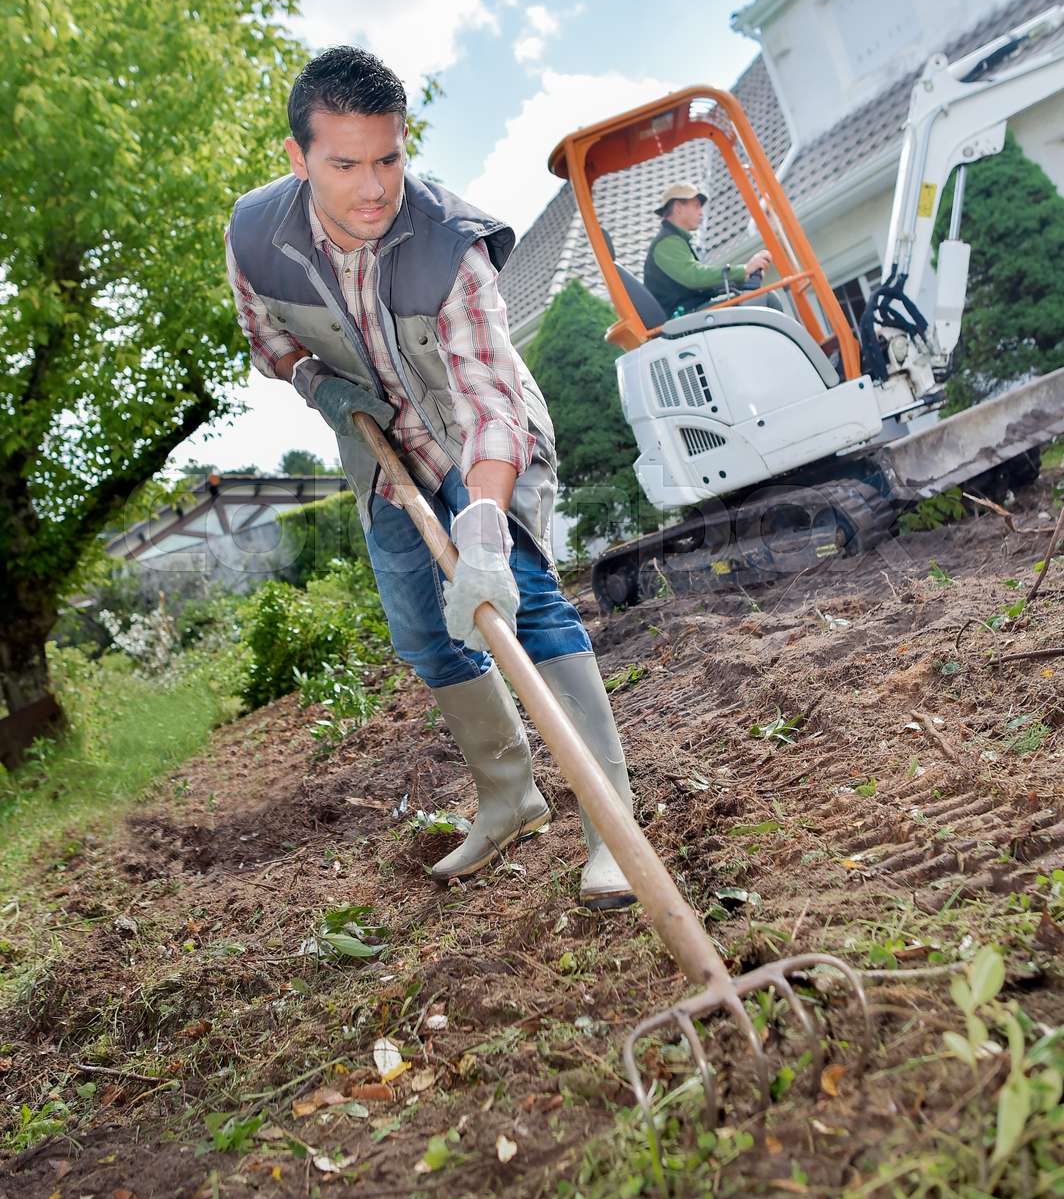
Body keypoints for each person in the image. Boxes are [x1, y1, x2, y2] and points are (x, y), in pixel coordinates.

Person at [225, 46, 635, 910]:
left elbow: (490, 403)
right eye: (345, 164)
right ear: (298, 158)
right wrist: (315, 383)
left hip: (474, 441)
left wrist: (482, 525)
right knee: (422, 634)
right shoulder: (256, 234)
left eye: (389, 158)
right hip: (382, 455)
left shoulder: (451, 245)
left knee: (528, 604)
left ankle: (613, 828)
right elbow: (267, 337)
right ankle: (509, 795)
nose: (374, 188)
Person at [644, 182, 771, 317]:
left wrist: (741, 280)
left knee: (761, 298)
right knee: (766, 301)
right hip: (683, 318)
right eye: (696, 206)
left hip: (690, 314)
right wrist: (744, 270)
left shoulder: (676, 241)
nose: (701, 213)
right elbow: (695, 277)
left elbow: (701, 284)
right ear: (678, 207)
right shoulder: (666, 243)